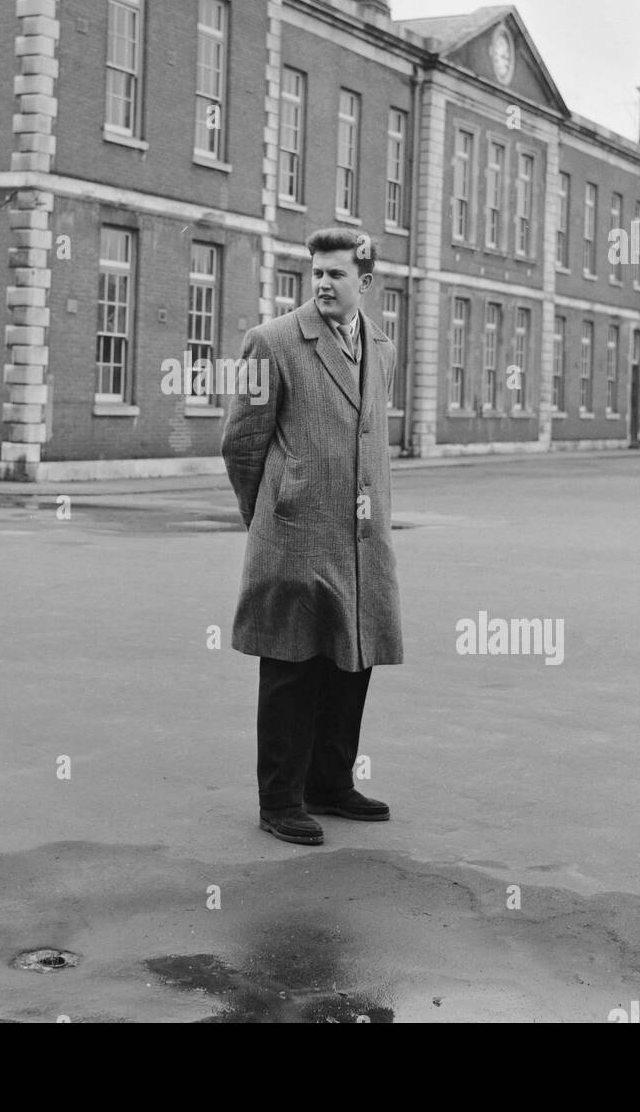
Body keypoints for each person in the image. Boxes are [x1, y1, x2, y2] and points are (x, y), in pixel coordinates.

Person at [221, 226, 405, 846]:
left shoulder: (382, 348)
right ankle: (280, 800)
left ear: (366, 283)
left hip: (362, 535)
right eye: (317, 273)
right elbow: (241, 443)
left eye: (337, 274)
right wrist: (270, 513)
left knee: (352, 661)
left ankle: (330, 783)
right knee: (292, 667)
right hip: (295, 533)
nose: (324, 284)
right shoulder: (270, 343)